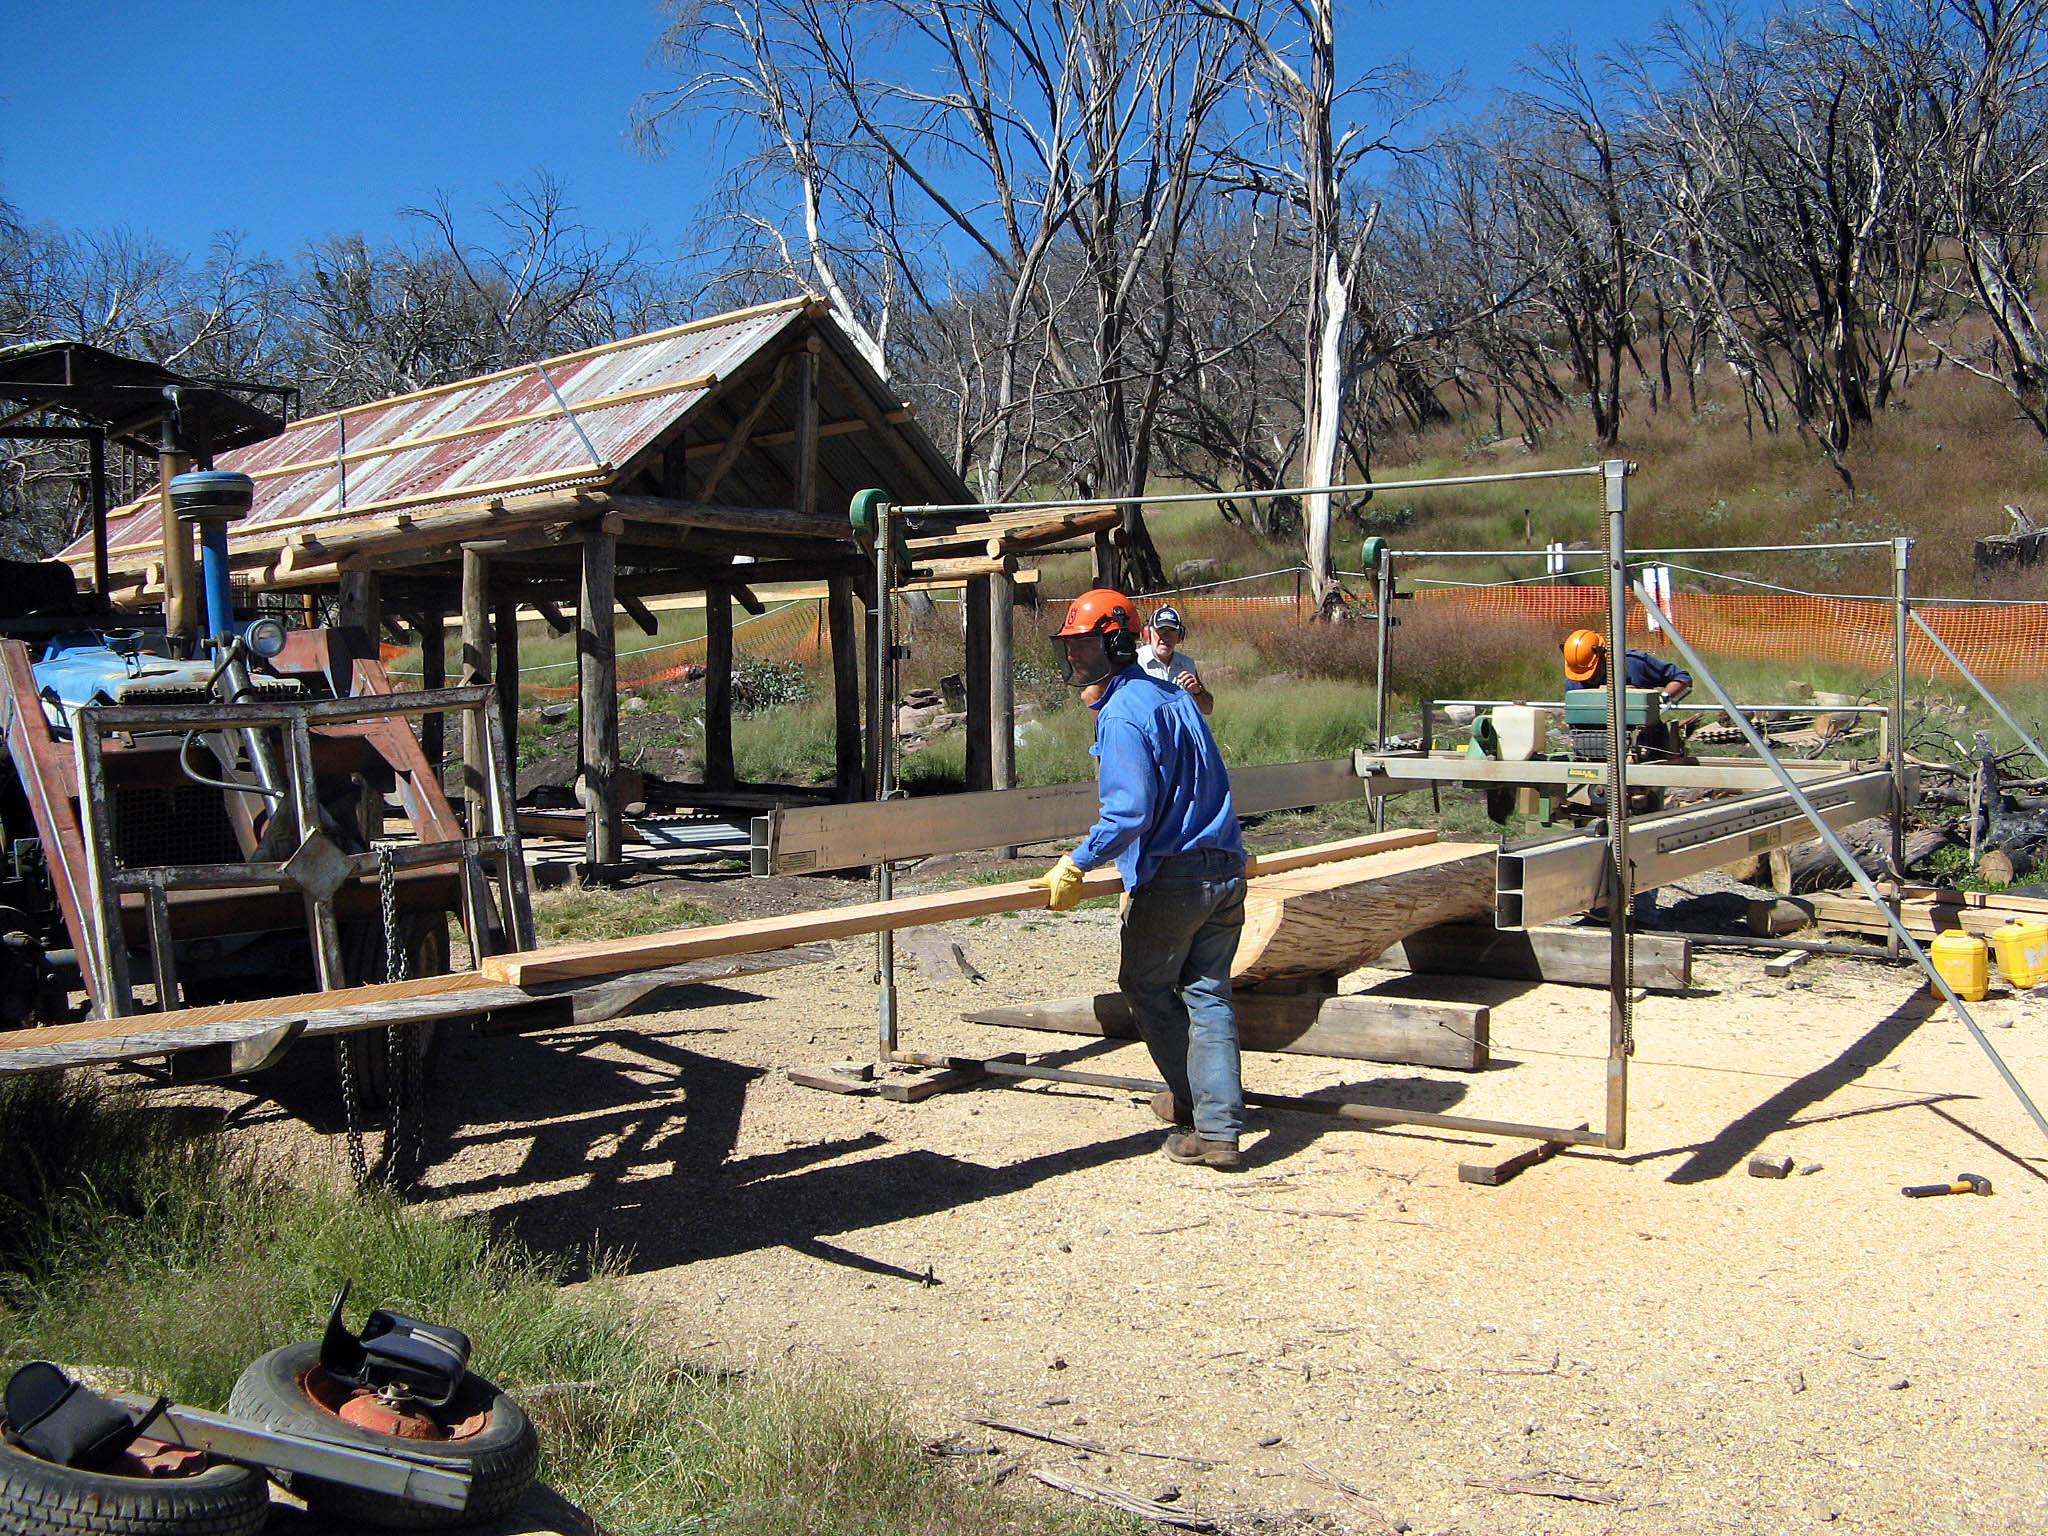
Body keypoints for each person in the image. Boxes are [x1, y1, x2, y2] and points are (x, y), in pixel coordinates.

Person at [1036, 589, 1247, 1169]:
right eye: (1070, 645)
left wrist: (1077, 860)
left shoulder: (1126, 712)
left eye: (1083, 644)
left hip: (1176, 876)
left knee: (1147, 986)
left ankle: (1196, 1104)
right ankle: (1219, 1127)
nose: (1075, 656)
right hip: (1226, 867)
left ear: (1116, 642)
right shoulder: (1172, 698)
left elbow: (1129, 811)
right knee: (1207, 995)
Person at [1561, 627, 1690, 702]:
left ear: (1603, 656)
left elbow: (1682, 678)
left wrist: (1662, 698)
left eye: (1592, 673)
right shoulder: (1574, 683)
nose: (1587, 679)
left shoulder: (1635, 664)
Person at [1137, 604, 1213, 715]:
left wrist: (1197, 692)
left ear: (1179, 636)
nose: (1166, 637)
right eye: (1161, 630)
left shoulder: (1187, 664)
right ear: (1149, 633)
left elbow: (1207, 709)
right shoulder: (1136, 661)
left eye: (1172, 631)